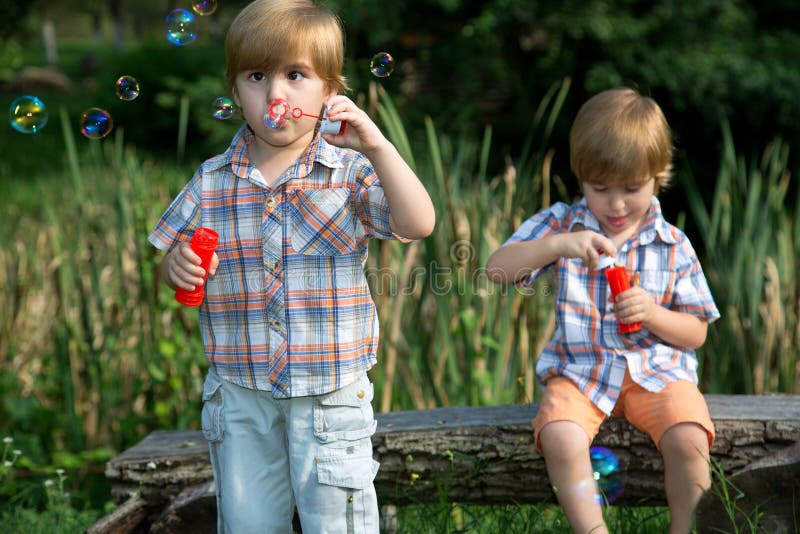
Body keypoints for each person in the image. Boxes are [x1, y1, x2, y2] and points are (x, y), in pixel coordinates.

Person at [148, 1, 435, 531]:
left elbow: (418, 223)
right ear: (235, 92)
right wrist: (177, 267)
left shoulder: (349, 172)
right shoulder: (211, 181)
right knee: (248, 522)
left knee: (338, 523)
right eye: (257, 76)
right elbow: (166, 261)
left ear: (330, 93)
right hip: (239, 396)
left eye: (295, 75)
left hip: (329, 395)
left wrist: (378, 145)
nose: (275, 95)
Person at [486, 87, 719, 534]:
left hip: (658, 372)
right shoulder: (563, 223)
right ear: (581, 179)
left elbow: (696, 333)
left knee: (689, 436)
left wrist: (652, 313)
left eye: (631, 189)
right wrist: (557, 246)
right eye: (599, 188)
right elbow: (496, 270)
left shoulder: (673, 244)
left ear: (658, 176)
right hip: (581, 372)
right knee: (559, 435)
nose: (614, 204)